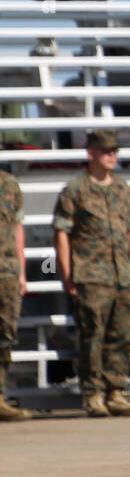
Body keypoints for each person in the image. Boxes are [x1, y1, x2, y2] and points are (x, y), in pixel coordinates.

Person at [53, 130, 130, 418]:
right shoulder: (75, 190)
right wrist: (67, 271)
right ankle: (93, 394)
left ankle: (115, 391)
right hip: (90, 274)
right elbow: (62, 233)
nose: (112, 156)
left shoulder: (123, 190)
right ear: (90, 154)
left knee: (122, 334)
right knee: (92, 335)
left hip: (121, 274)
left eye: (114, 151)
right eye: (106, 151)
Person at [0, 167, 32, 421]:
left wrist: (21, 270)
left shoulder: (10, 184)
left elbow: (17, 229)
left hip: (7, 271)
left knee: (5, 334)